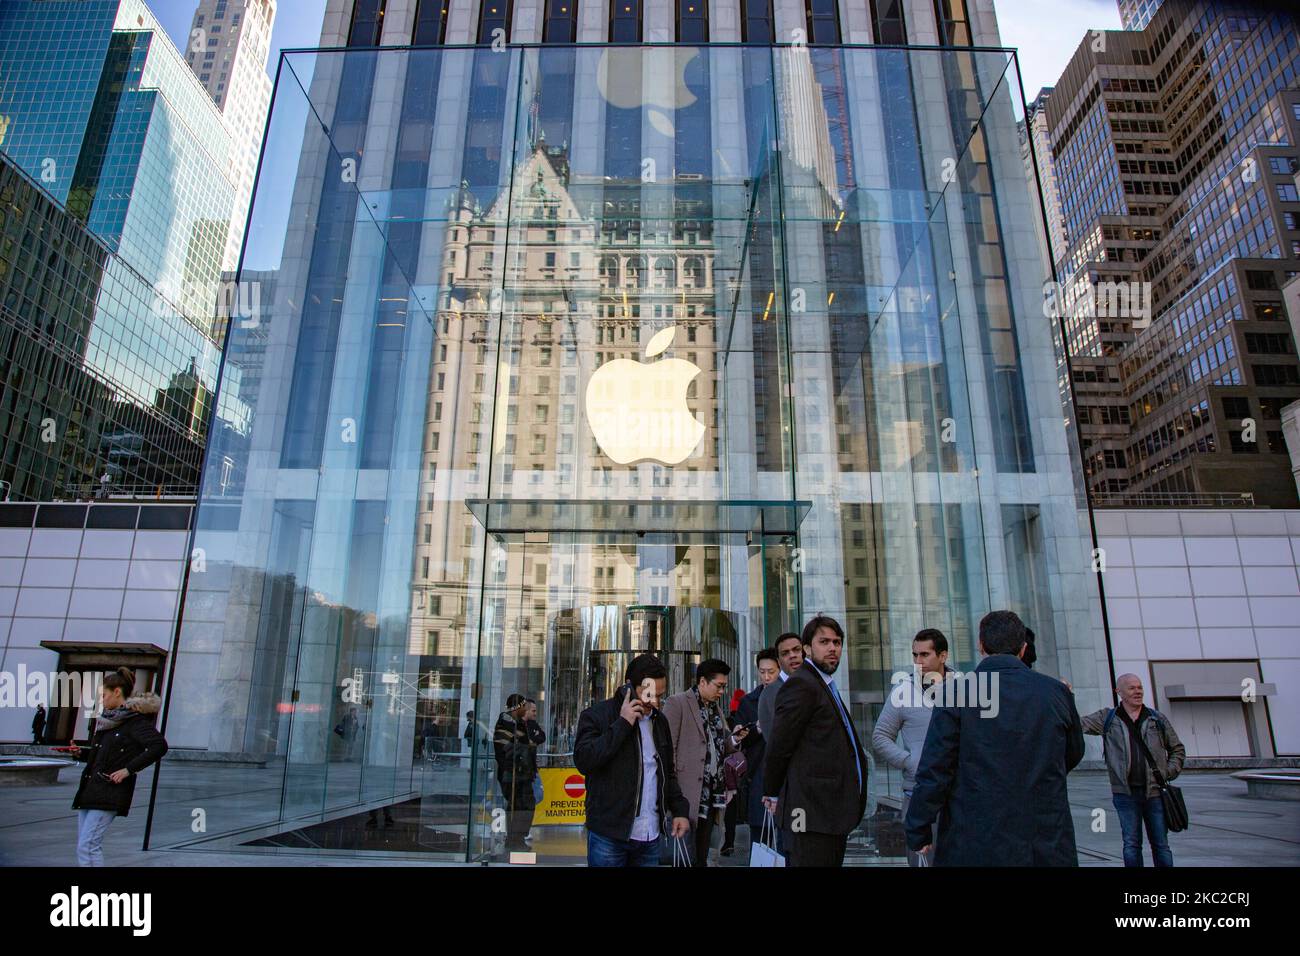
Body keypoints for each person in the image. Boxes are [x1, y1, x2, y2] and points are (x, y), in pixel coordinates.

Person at [904, 610, 1085, 866]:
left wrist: (918, 827)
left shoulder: (956, 693)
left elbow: (936, 768)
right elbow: (1073, 752)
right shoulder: (1055, 692)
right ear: (1023, 649)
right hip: (1044, 838)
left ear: (980, 646)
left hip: (974, 837)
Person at [763, 616, 869, 867]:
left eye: (837, 642)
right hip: (811, 814)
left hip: (829, 813)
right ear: (808, 649)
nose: (833, 648)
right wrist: (771, 792)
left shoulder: (823, 684)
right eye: (824, 642)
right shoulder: (802, 684)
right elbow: (780, 745)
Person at [574, 653, 690, 866]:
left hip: (650, 835)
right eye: (649, 695)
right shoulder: (597, 715)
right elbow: (584, 760)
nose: (654, 702)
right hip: (609, 835)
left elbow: (666, 772)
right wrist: (622, 724)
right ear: (630, 686)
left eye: (660, 696)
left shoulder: (659, 722)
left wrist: (680, 811)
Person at [871, 628, 956, 866]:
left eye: (925, 655)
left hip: (959, 792)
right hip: (918, 792)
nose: (918, 662)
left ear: (943, 656)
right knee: (921, 859)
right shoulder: (902, 691)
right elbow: (880, 737)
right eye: (915, 655)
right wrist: (910, 762)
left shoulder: (964, 688)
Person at [1081, 673, 1185, 867]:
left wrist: (1167, 772)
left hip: (1155, 793)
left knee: (1161, 845)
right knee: (1131, 845)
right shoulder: (1108, 718)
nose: (1138, 691)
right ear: (1118, 692)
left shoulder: (1156, 719)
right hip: (1125, 794)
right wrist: (1066, 696)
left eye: (1140, 687)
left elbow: (1177, 748)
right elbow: (1077, 724)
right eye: (1132, 688)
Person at [69, 668, 168, 866]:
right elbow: (105, 756)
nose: (102, 700)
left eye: (103, 695)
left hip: (109, 792)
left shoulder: (134, 722)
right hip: (91, 790)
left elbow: (159, 746)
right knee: (85, 844)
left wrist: (128, 770)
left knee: (88, 846)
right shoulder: (108, 721)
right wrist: (82, 753)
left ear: (116, 692)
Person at [662, 659, 748, 866]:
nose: (722, 691)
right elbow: (666, 749)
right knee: (683, 855)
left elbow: (720, 745)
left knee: (702, 854)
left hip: (712, 794)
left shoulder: (716, 710)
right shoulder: (677, 703)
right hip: (686, 792)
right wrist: (671, 792)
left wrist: (735, 739)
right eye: (719, 686)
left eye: (724, 687)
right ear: (702, 681)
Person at [736, 647, 779, 850]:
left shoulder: (791, 697)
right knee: (759, 843)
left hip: (785, 780)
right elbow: (740, 740)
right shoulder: (748, 702)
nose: (766, 676)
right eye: (762, 672)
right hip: (758, 777)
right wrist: (759, 728)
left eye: (771, 671)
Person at [494, 693, 545, 853]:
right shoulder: (507, 723)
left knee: (526, 805)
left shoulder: (522, 724)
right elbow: (509, 749)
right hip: (513, 773)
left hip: (524, 773)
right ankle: (514, 838)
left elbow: (537, 738)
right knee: (518, 805)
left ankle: (518, 837)